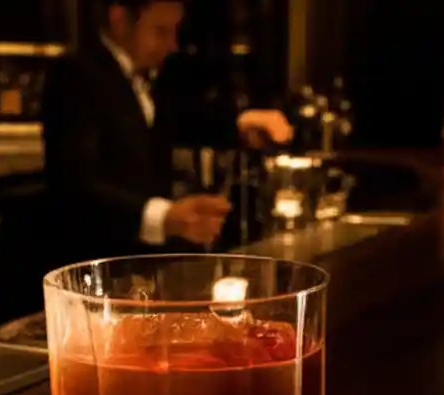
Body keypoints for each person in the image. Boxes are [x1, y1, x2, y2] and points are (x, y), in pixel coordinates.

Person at [41, 0, 294, 255]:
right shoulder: (75, 73)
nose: (172, 45)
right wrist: (164, 217)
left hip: (138, 260)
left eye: (175, 31)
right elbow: (75, 186)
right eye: (161, 31)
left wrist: (241, 125)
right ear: (119, 19)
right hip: (92, 260)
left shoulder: (142, 76)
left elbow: (182, 121)